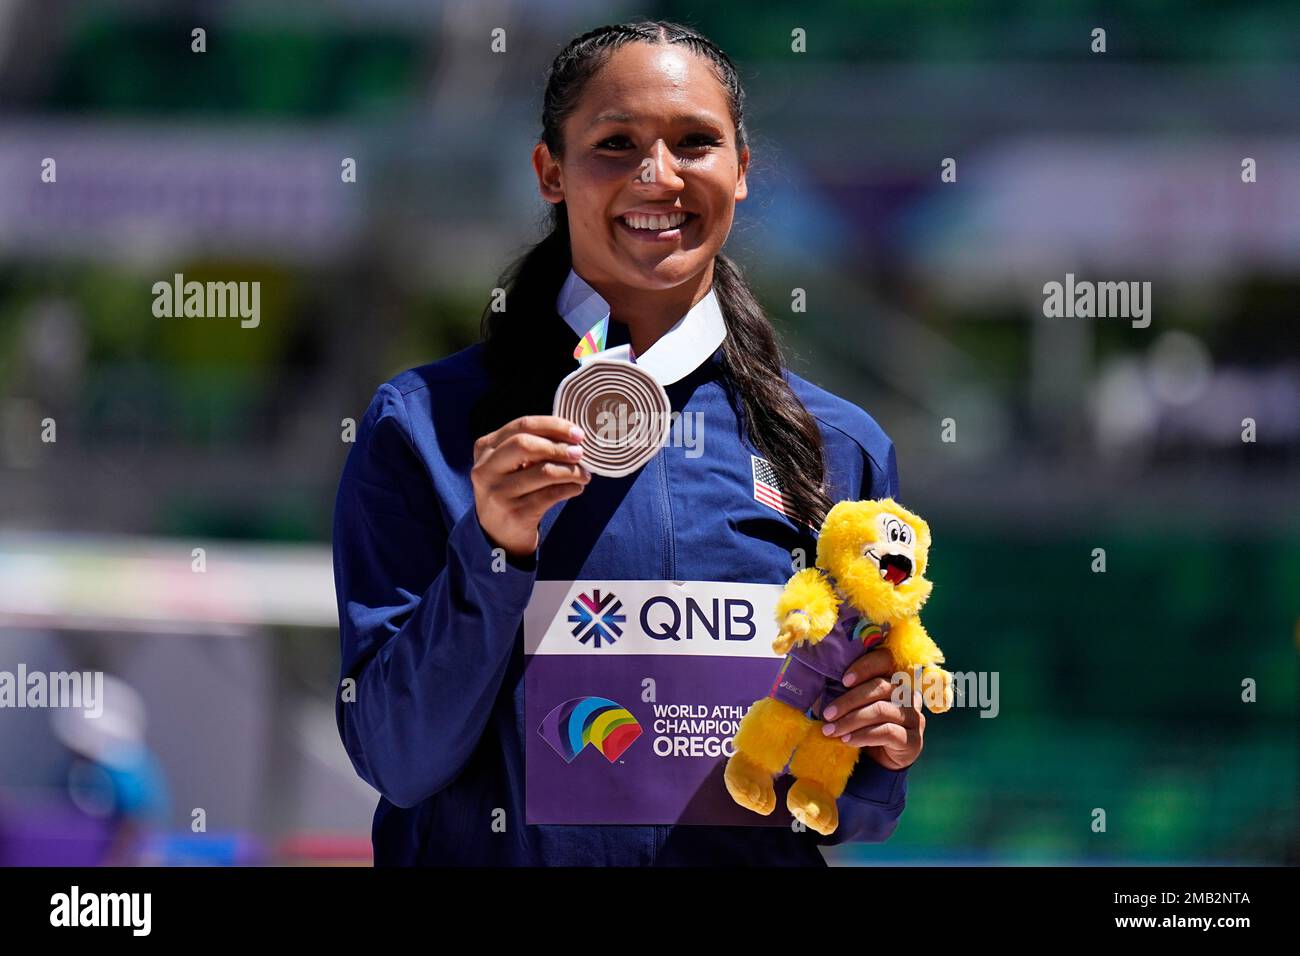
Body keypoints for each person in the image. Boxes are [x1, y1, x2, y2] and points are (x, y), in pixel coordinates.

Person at [332, 19, 926, 866]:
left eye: (695, 142)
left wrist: (881, 741)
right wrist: (494, 553)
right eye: (615, 144)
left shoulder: (837, 445)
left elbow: (853, 804)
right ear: (550, 171)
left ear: (742, 170)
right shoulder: (424, 424)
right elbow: (399, 758)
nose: (659, 176)